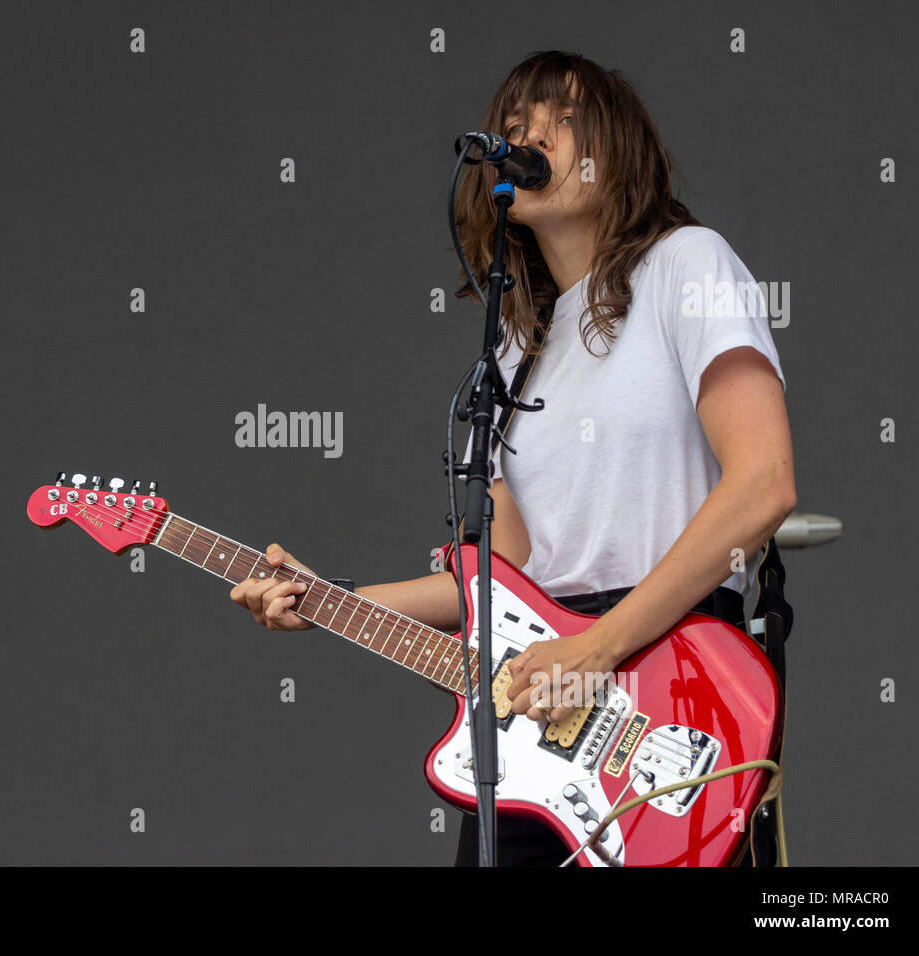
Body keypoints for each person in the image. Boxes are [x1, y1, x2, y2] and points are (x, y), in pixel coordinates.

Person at [228, 50, 795, 867]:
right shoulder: (506, 359)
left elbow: (764, 481)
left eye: (564, 120)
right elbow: (502, 580)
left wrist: (596, 649)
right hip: (537, 717)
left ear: (616, 147)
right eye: (516, 125)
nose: (532, 136)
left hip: (668, 687)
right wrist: (325, 597)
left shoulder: (687, 265)